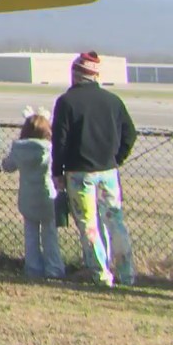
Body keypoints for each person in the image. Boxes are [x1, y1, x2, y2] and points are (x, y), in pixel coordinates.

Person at [50, 51, 136, 286]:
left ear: (75, 74)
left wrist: (57, 172)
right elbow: (130, 133)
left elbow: (60, 141)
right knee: (115, 222)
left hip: (79, 173)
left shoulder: (66, 102)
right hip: (109, 172)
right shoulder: (113, 101)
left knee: (89, 225)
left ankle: (100, 274)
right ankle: (126, 273)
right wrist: (117, 158)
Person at [2, 110, 65, 279]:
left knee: (31, 234)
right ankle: (54, 269)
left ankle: (33, 269)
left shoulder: (19, 149)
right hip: (47, 195)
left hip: (27, 197)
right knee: (50, 234)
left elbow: (8, 166)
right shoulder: (50, 149)